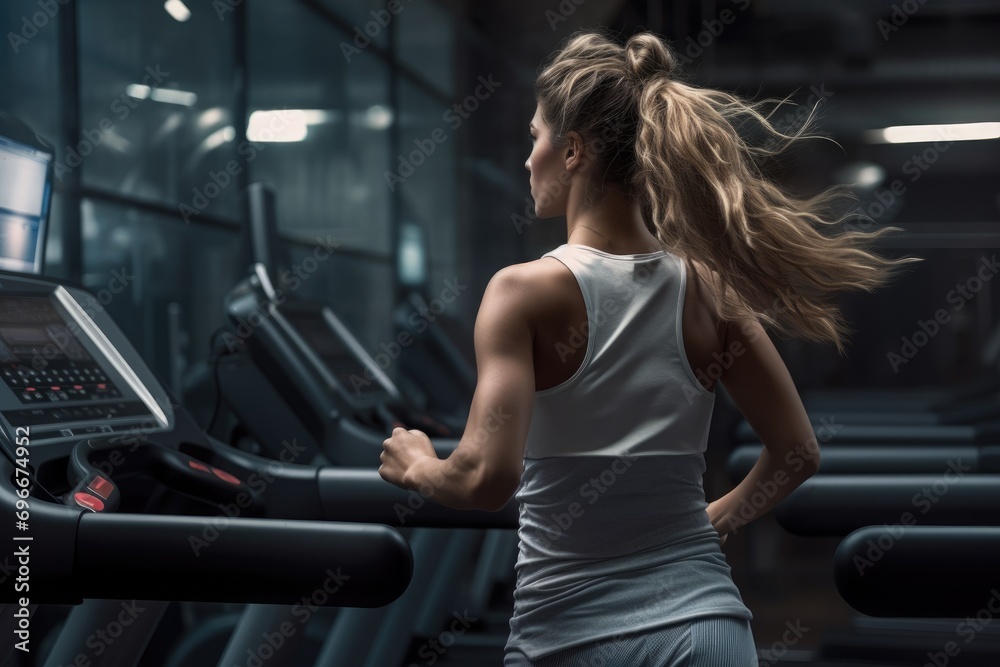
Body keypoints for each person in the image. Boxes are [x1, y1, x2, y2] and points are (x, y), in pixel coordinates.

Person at [379, 29, 914, 666]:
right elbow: (796, 453)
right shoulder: (708, 290)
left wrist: (416, 467)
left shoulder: (520, 291)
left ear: (573, 149)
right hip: (705, 628)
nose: (528, 160)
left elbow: (485, 477)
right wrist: (701, 527)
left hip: (569, 637)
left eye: (535, 138)